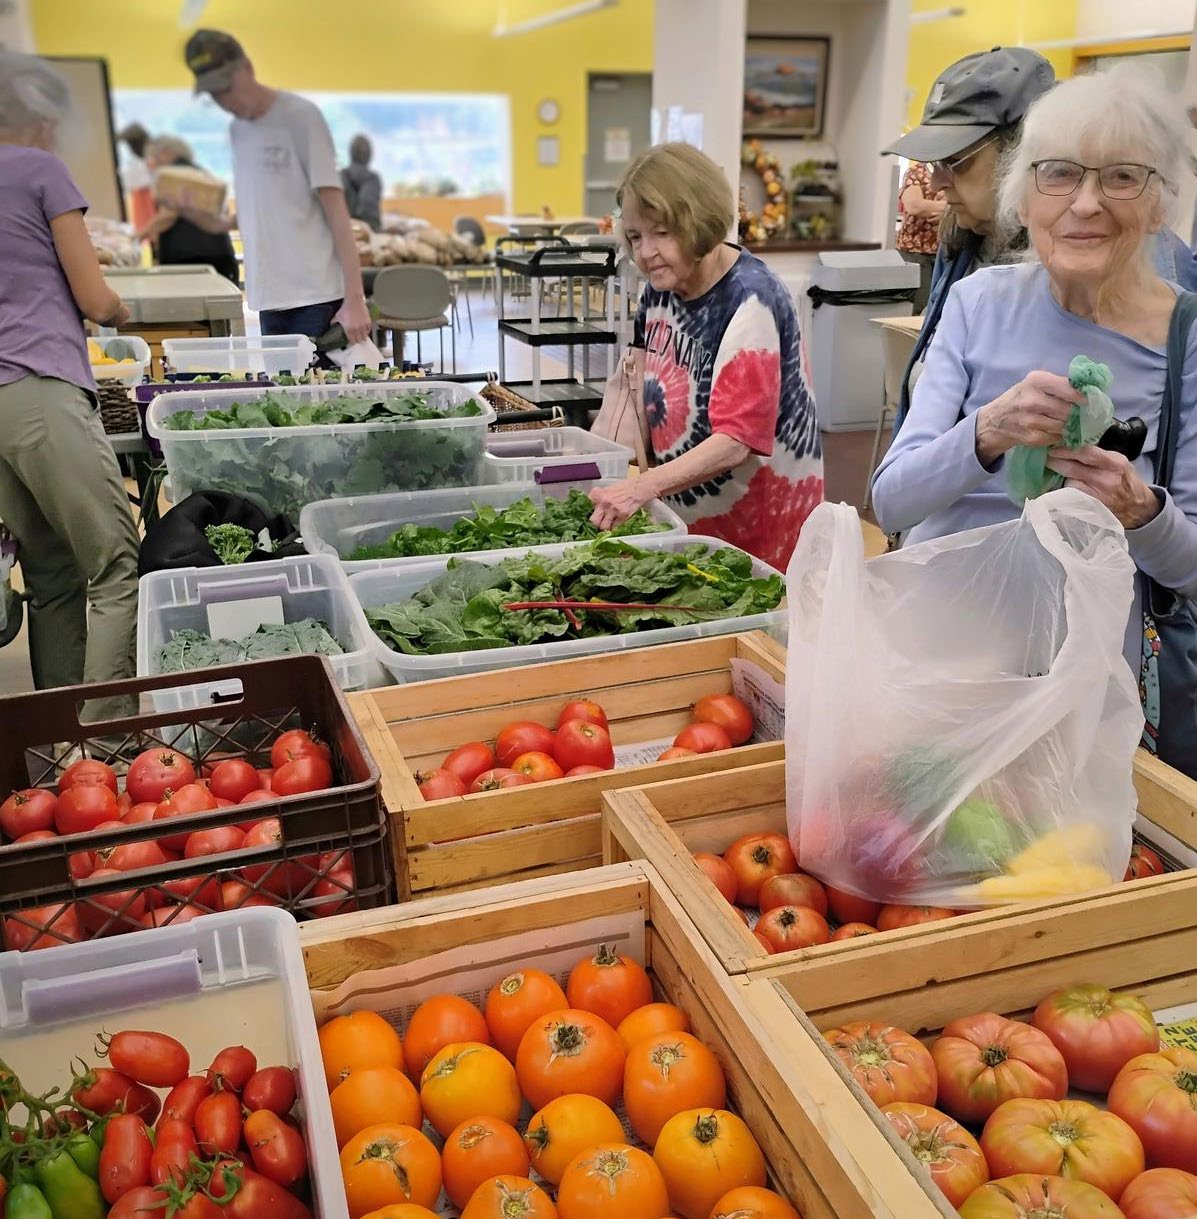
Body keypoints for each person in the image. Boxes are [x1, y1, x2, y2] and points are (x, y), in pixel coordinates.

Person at [871, 67, 1197, 769]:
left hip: (1079, 686)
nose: (1083, 204)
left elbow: (1191, 570)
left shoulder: (1187, 336)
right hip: (940, 661)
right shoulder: (975, 302)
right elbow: (891, 497)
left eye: (1120, 177)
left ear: (1161, 202)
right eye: (1057, 174)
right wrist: (985, 432)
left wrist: (1138, 508)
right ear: (1024, 191)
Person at [885, 47, 1197, 430]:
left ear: (1016, 154)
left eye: (957, 162)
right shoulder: (964, 239)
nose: (936, 181)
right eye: (935, 165)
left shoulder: (1145, 258)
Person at [587, 143, 823, 572]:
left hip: (754, 529)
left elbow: (737, 443)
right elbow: (639, 382)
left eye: (662, 232)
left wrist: (641, 489)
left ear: (697, 221)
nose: (645, 252)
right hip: (689, 518)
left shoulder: (751, 299)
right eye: (636, 236)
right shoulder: (659, 286)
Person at [0, 53, 140, 697]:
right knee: (114, 563)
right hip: (42, 390)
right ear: (40, 116)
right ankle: (108, 749)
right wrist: (117, 307)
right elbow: (94, 298)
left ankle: (57, 752)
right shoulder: (40, 170)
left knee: (52, 576)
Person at [181, 29, 370, 344]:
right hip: (268, 300)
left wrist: (355, 300)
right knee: (281, 392)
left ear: (248, 68)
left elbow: (337, 213)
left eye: (227, 87)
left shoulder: (300, 117)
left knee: (321, 392)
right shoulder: (238, 131)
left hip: (316, 296)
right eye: (214, 94)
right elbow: (261, 210)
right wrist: (207, 221)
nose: (225, 101)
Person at [137, 135, 239, 284]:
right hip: (219, 255)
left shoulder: (174, 177)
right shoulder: (201, 173)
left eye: (154, 157)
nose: (152, 164)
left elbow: (168, 214)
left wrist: (138, 235)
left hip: (191, 259)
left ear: (167, 152)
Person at [896, 161, 946, 312]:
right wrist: (948, 208)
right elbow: (915, 206)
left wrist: (931, 207)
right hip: (915, 252)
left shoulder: (951, 173)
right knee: (918, 306)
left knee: (939, 306)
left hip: (944, 252)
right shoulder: (916, 172)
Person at [341, 134, 383, 232]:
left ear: (351, 154)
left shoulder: (340, 176)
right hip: (368, 232)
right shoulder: (373, 179)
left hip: (342, 231)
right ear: (369, 155)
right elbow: (368, 210)